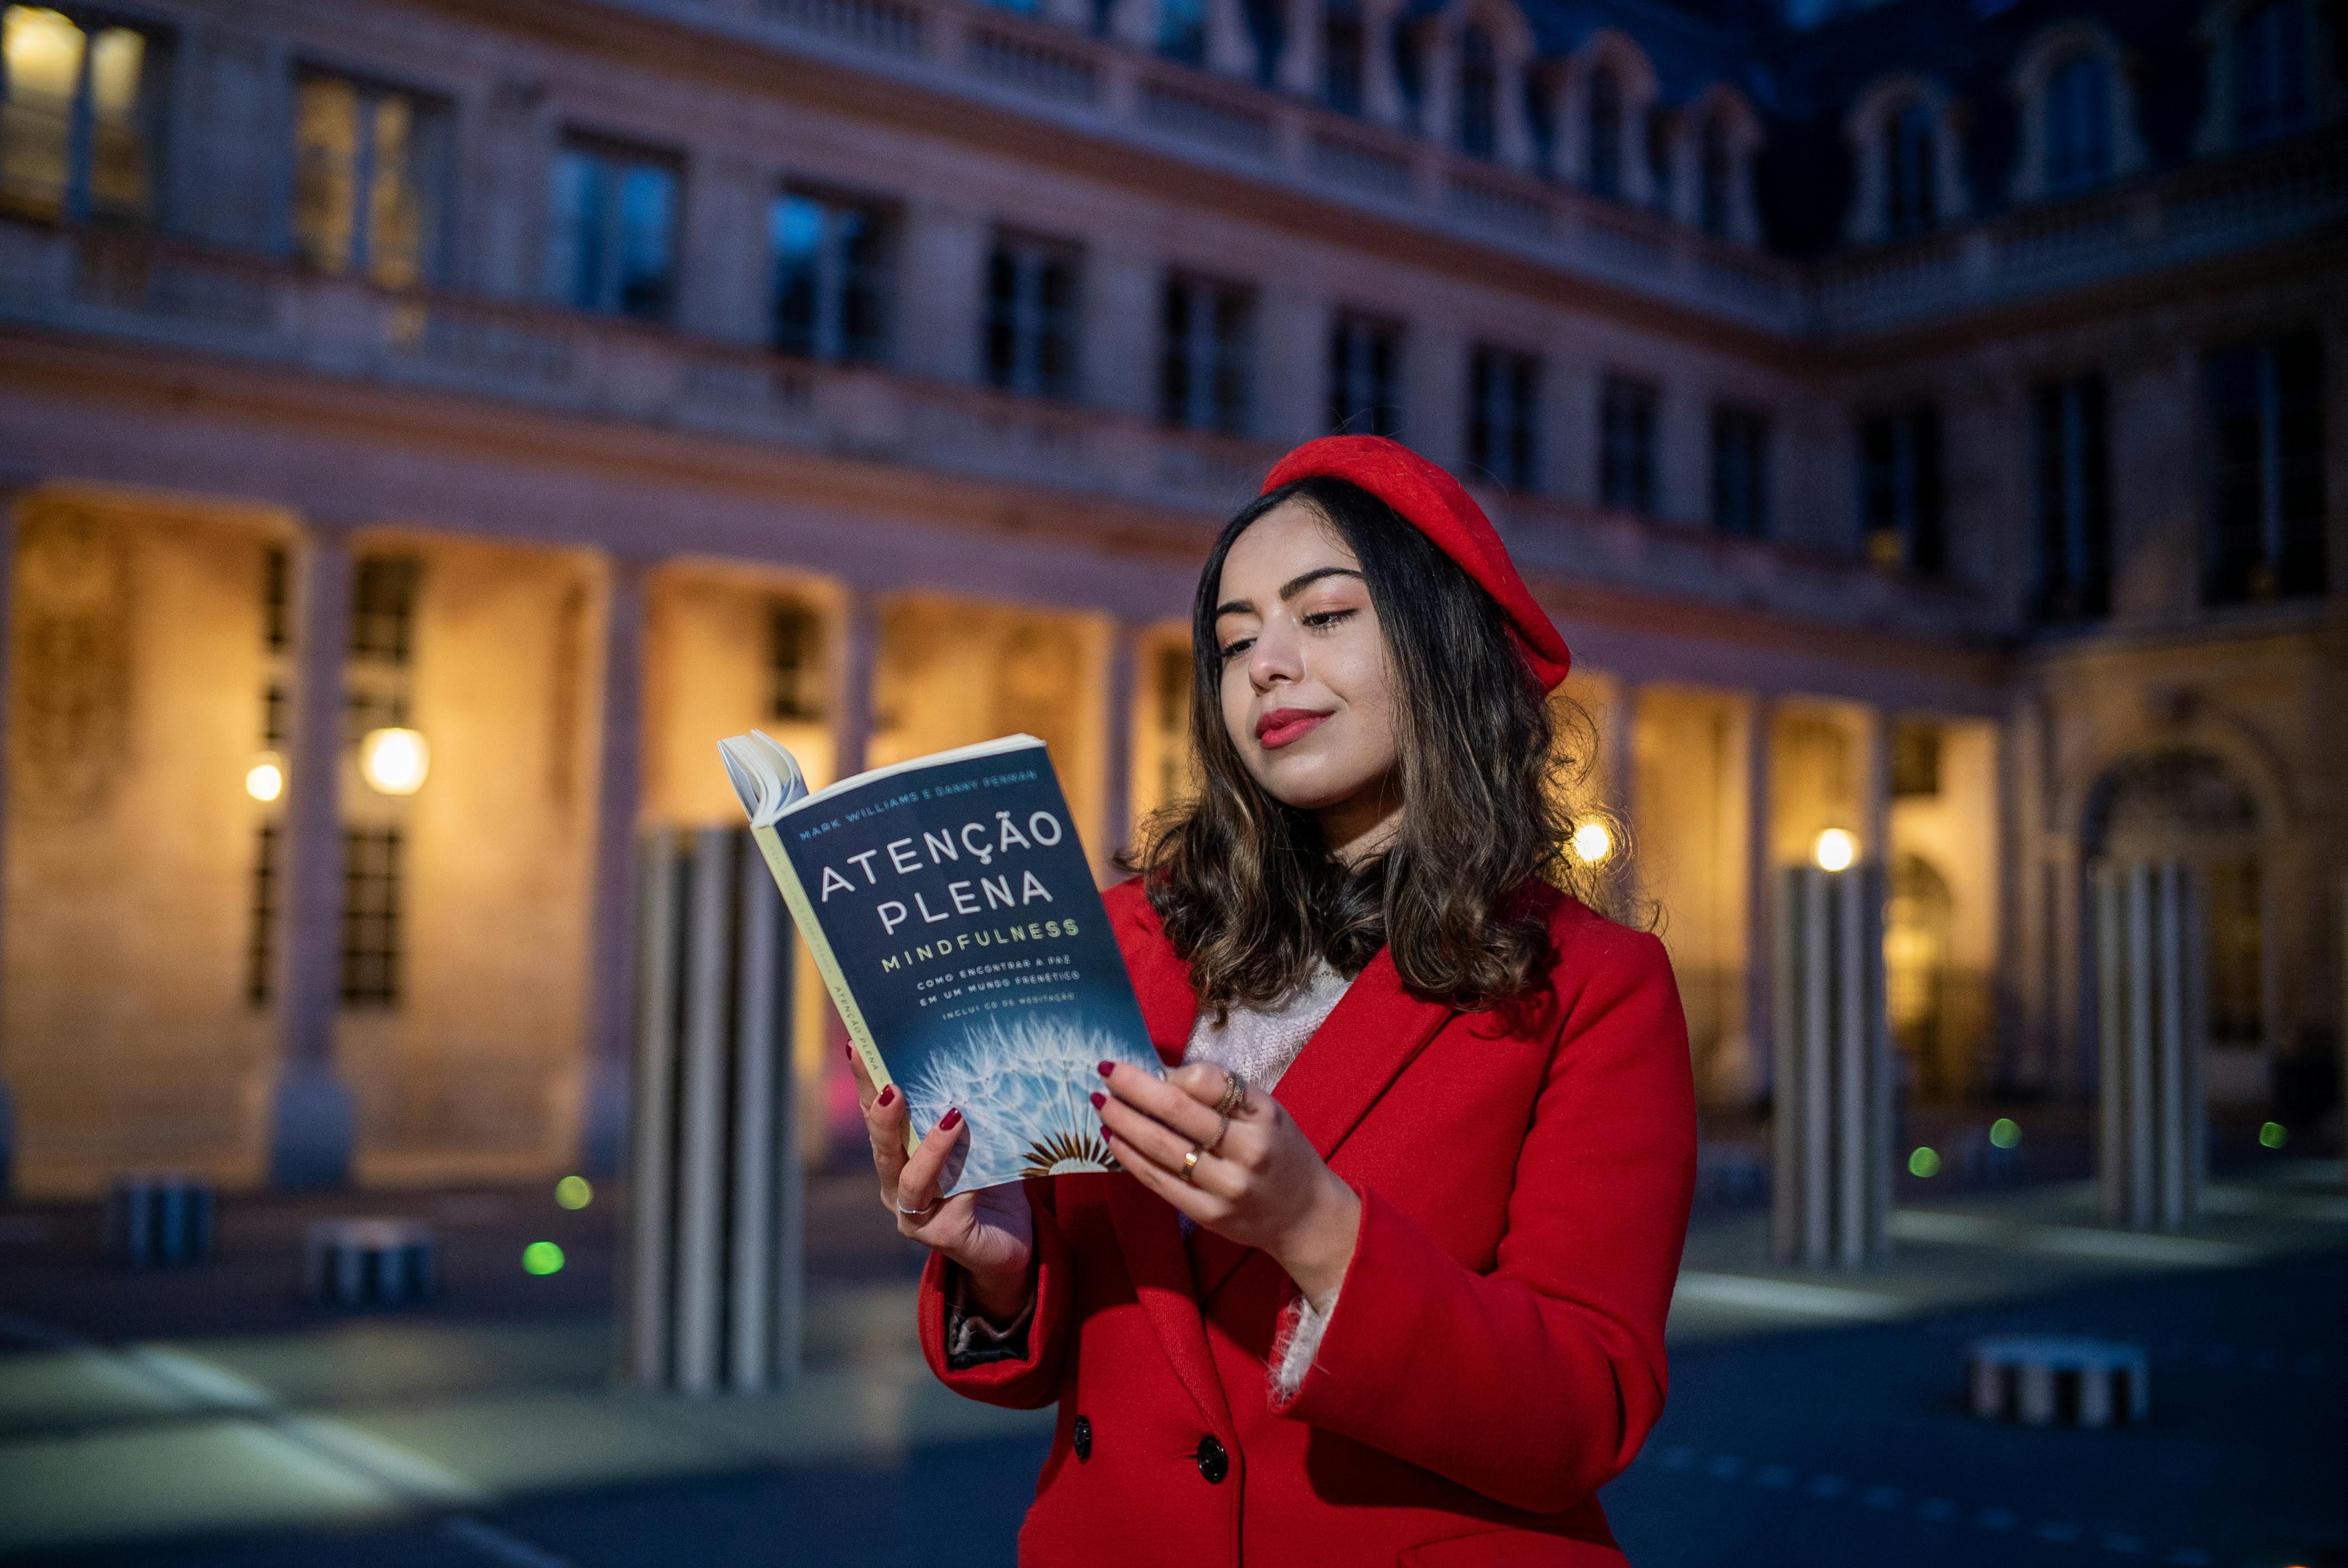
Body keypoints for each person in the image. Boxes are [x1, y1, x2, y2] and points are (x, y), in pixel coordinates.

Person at [848, 434, 1697, 1566]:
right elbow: (1066, 1364)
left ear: (1442, 644)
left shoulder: (1590, 982)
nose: (1263, 664)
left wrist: (1316, 1230)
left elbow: (1585, 1411)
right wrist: (999, 1262)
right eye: (1233, 638)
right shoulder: (1124, 935)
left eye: (1324, 615)